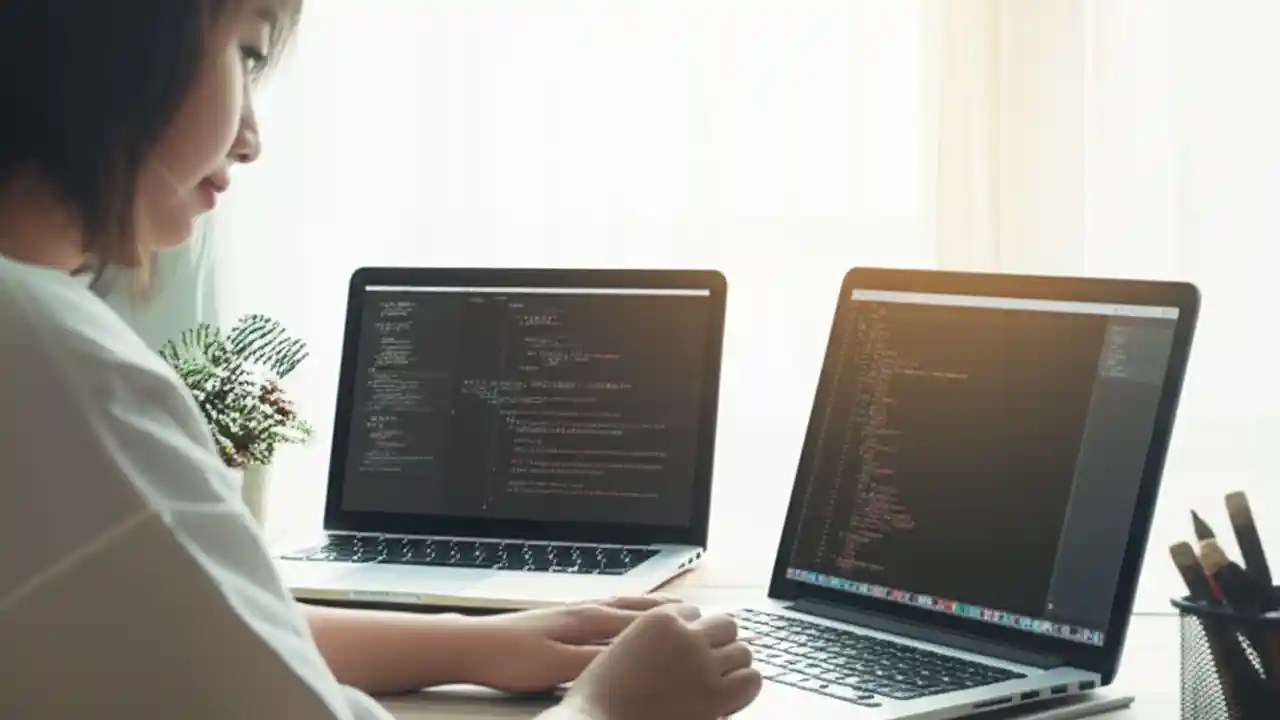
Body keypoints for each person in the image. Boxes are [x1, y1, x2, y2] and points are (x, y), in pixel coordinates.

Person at [0, 2, 762, 719]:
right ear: (120, 39)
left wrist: (480, 642)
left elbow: (178, 612)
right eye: (246, 51)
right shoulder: (54, 363)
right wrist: (610, 704)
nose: (250, 137)